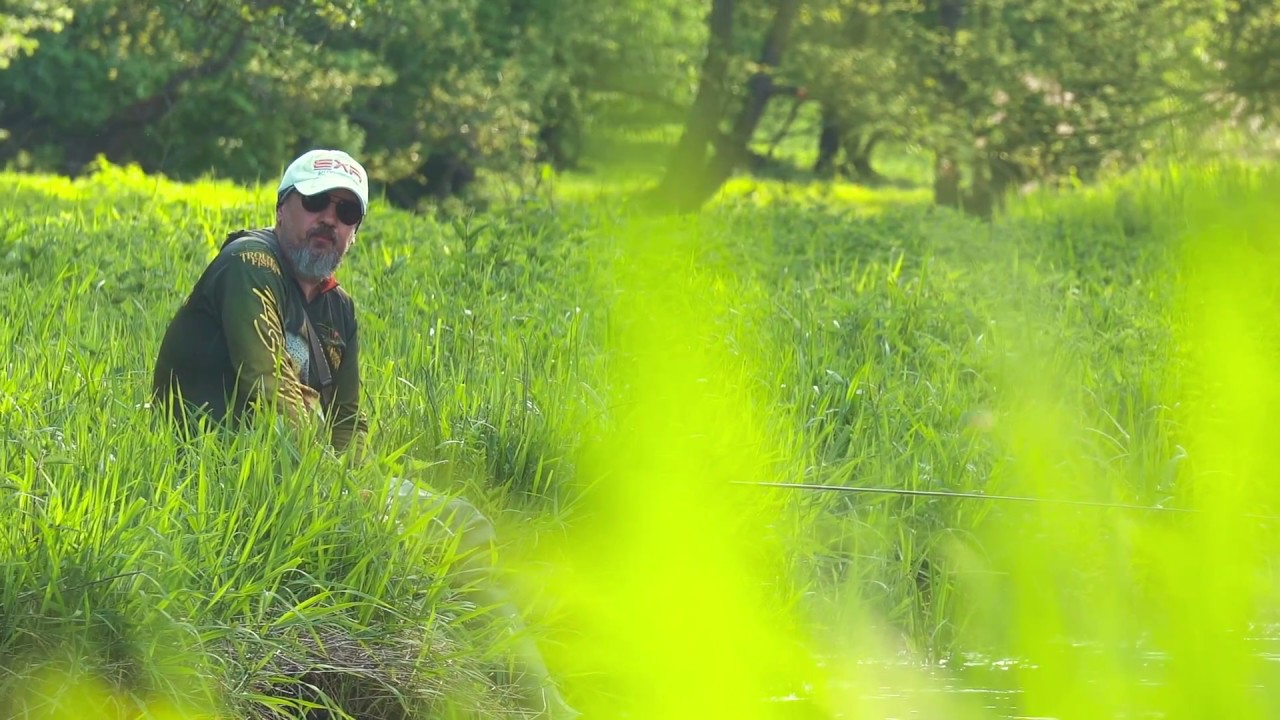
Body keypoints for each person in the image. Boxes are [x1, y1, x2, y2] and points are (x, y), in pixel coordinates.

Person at [151, 148, 579, 719]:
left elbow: (349, 424)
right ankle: (539, 704)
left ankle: (520, 693)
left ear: (354, 232)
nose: (329, 219)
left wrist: (357, 484)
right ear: (282, 207)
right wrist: (346, 497)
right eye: (316, 202)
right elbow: (271, 386)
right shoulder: (250, 263)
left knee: (460, 526)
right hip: (221, 474)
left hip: (302, 479)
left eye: (346, 212)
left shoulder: (338, 309)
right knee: (455, 527)